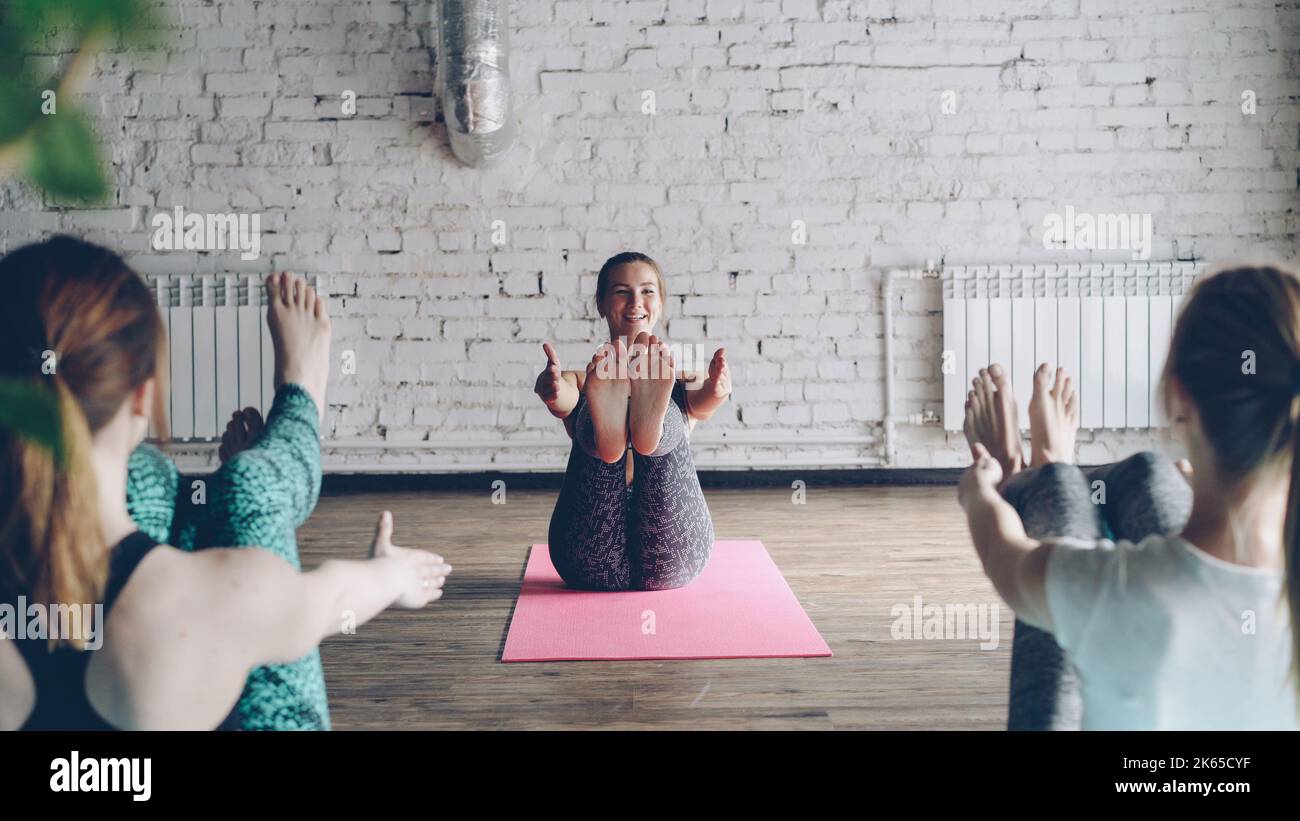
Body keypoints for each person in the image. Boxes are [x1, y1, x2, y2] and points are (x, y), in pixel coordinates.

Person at [0, 236, 451, 730]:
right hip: (197, 614)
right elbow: (331, 598)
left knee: (167, 485)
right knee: (251, 491)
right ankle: (298, 399)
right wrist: (394, 575)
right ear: (142, 398)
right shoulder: (224, 600)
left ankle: (242, 473)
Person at [959, 264, 1300, 730]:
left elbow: (1007, 560)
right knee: (1147, 474)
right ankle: (1047, 467)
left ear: (1179, 397)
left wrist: (983, 493)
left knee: (1079, 492)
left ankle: (1039, 476)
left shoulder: (1115, 592)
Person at [534, 252, 731, 590]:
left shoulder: (680, 379)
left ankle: (644, 429)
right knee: (587, 409)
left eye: (647, 291)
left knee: (669, 403)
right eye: (622, 291)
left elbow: (704, 400)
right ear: (601, 302)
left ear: (661, 302)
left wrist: (718, 388)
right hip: (598, 548)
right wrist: (552, 390)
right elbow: (564, 397)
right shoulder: (583, 380)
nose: (635, 302)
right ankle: (609, 431)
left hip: (657, 547)